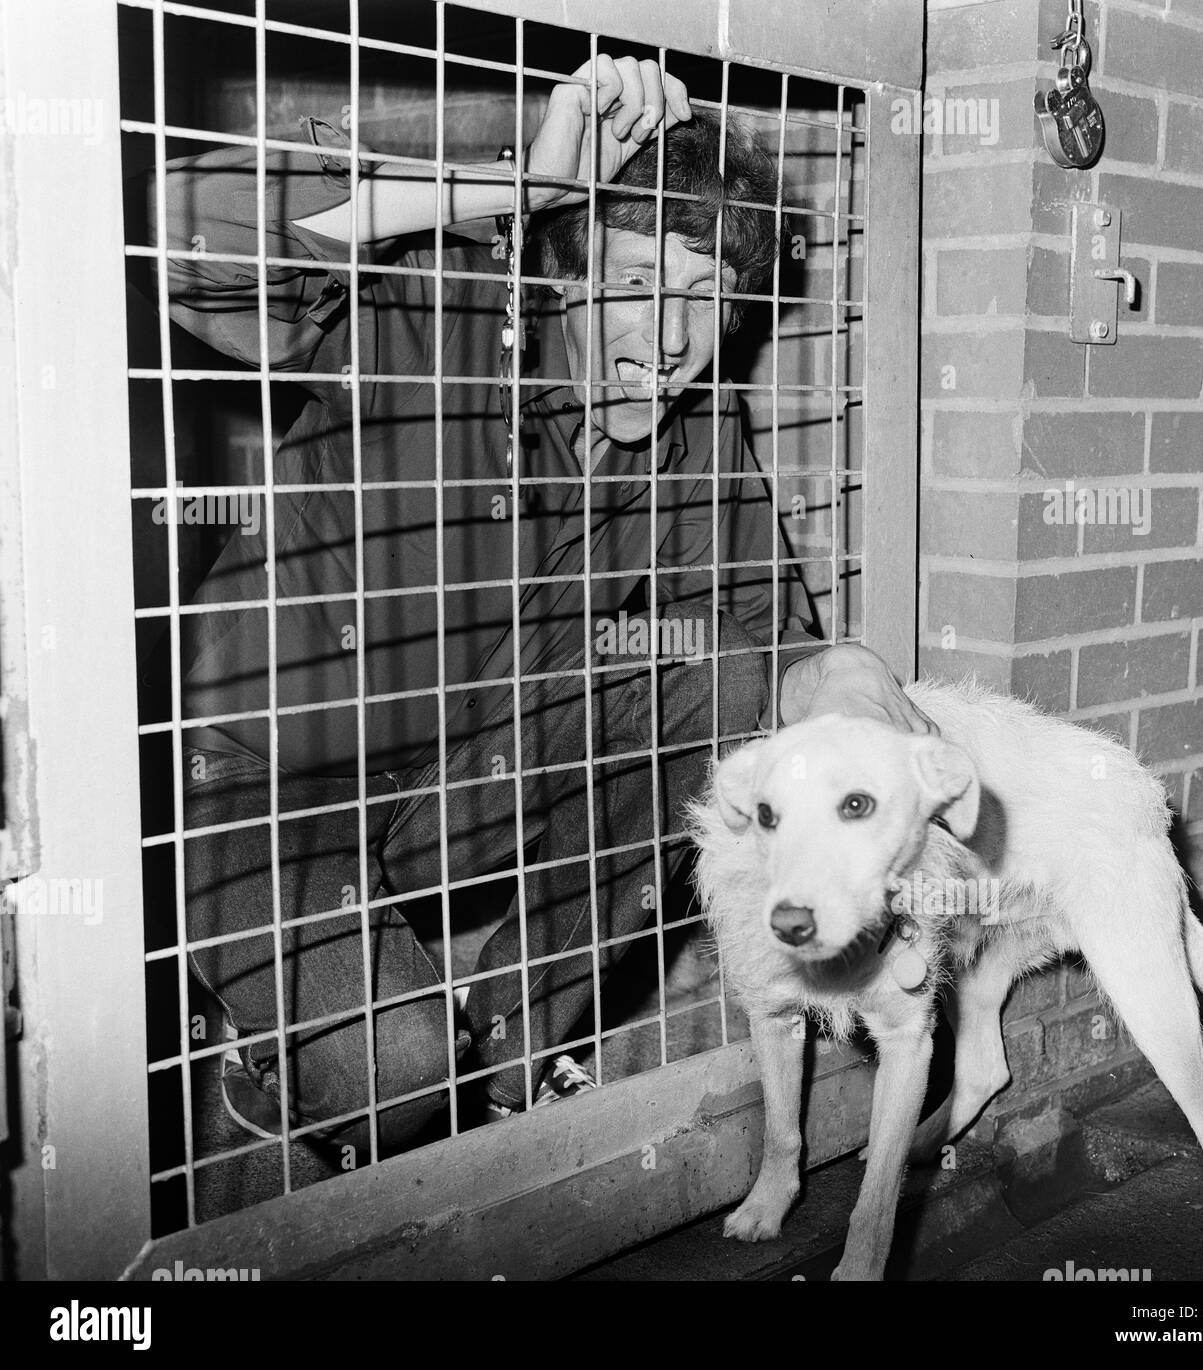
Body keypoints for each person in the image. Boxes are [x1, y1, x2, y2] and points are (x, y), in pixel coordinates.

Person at [153, 55, 932, 1154]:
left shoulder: (693, 427)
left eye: (703, 294)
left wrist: (845, 678)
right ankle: (279, 1076)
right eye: (632, 280)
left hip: (463, 768)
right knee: (392, 1065)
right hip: (271, 772)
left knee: (714, 678)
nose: (666, 340)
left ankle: (513, 1065)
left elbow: (761, 634)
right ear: (562, 275)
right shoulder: (434, 305)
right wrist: (519, 186)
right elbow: (187, 224)